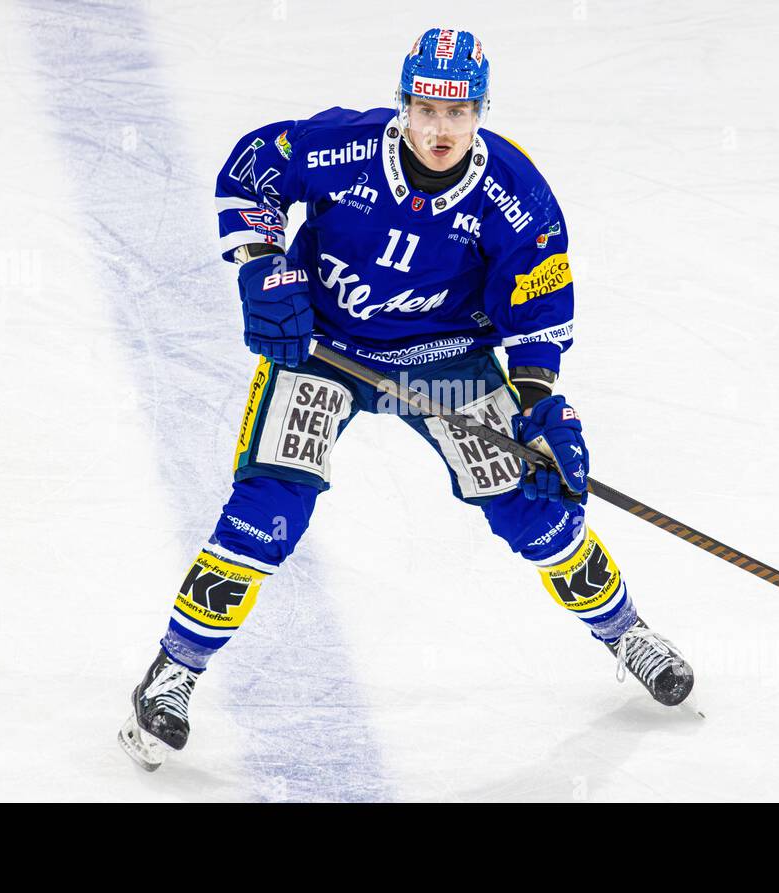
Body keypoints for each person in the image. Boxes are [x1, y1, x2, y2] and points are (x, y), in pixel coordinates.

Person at [119, 27, 693, 772]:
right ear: (403, 105)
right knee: (268, 510)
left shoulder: (516, 196)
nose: (440, 128)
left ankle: (627, 633)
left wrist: (542, 408)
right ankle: (173, 670)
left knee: (539, 507)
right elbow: (254, 164)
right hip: (322, 347)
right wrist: (260, 263)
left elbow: (538, 315)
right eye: (426, 108)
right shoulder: (342, 148)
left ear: (482, 111)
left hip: (445, 360)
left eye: (457, 113)